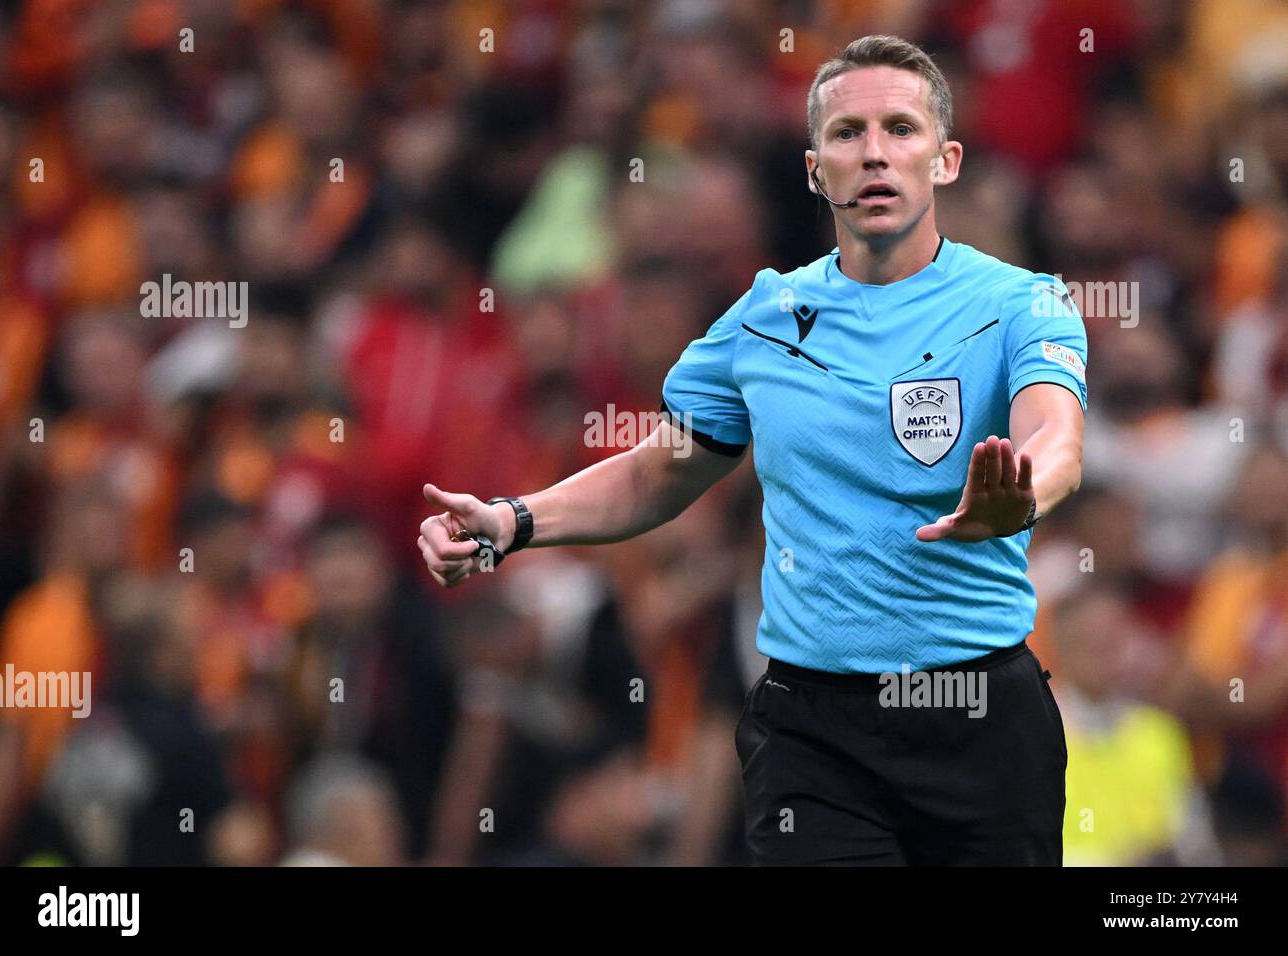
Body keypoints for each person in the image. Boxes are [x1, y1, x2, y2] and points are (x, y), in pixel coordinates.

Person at [418, 35, 1087, 866]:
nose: (874, 152)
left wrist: (1019, 493)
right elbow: (655, 473)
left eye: (901, 129)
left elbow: (1055, 434)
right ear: (814, 169)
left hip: (980, 717)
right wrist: (514, 520)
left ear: (945, 159)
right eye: (847, 134)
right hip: (815, 732)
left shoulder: (1021, 304)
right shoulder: (766, 319)